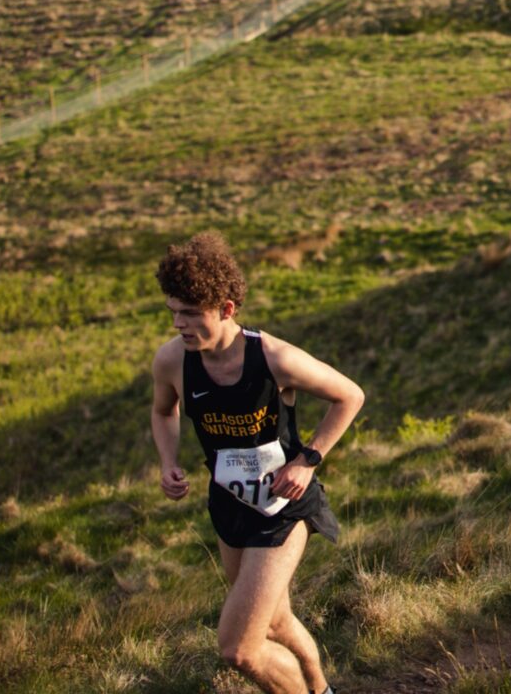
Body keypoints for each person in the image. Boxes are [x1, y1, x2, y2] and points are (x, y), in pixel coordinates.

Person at [149, 232, 363, 694]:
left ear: (226, 309)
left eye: (190, 313)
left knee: (239, 649)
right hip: (230, 507)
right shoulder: (171, 362)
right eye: (172, 312)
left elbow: (350, 395)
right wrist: (168, 460)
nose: (178, 325)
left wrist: (308, 461)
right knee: (275, 623)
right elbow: (164, 409)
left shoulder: (274, 358)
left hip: (283, 509)